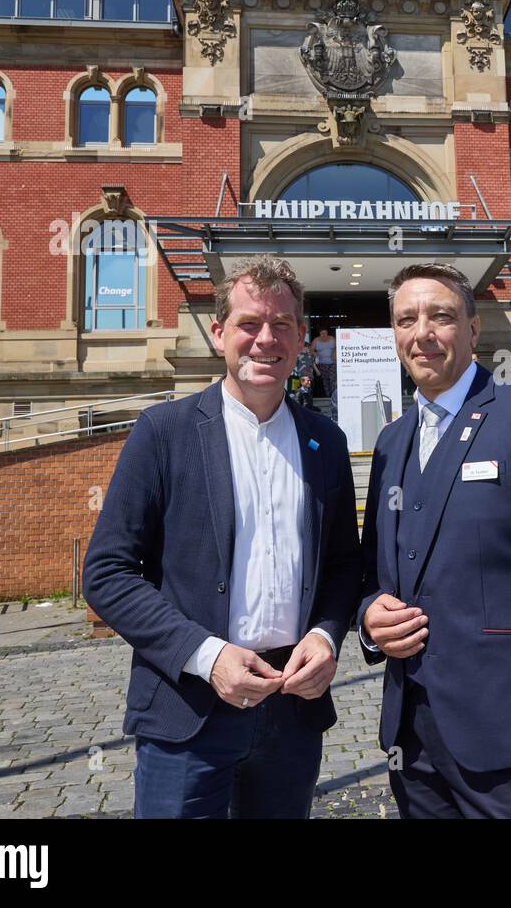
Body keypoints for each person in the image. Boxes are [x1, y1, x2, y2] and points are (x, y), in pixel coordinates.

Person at [83, 255, 362, 819]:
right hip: (189, 709)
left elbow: (341, 566)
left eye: (283, 325)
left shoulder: (325, 442)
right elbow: (107, 574)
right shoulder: (163, 432)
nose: (266, 339)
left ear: (302, 338)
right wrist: (207, 657)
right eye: (250, 324)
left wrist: (329, 636)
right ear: (219, 334)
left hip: (292, 709)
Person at [357, 262, 511, 819]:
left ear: (473, 329)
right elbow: (373, 575)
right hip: (413, 740)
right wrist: (370, 616)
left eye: (441, 317)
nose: (422, 333)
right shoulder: (392, 443)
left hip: (510, 747)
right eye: (406, 319)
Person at [312, 328, 337, 419]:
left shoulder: (332, 339)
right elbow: (311, 349)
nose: (323, 335)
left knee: (332, 378)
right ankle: (327, 395)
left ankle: (333, 394)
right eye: (322, 333)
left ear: (327, 333)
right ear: (319, 333)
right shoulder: (316, 340)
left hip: (332, 362)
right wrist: (316, 355)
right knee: (325, 379)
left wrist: (334, 353)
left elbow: (337, 347)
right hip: (322, 363)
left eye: (325, 333)